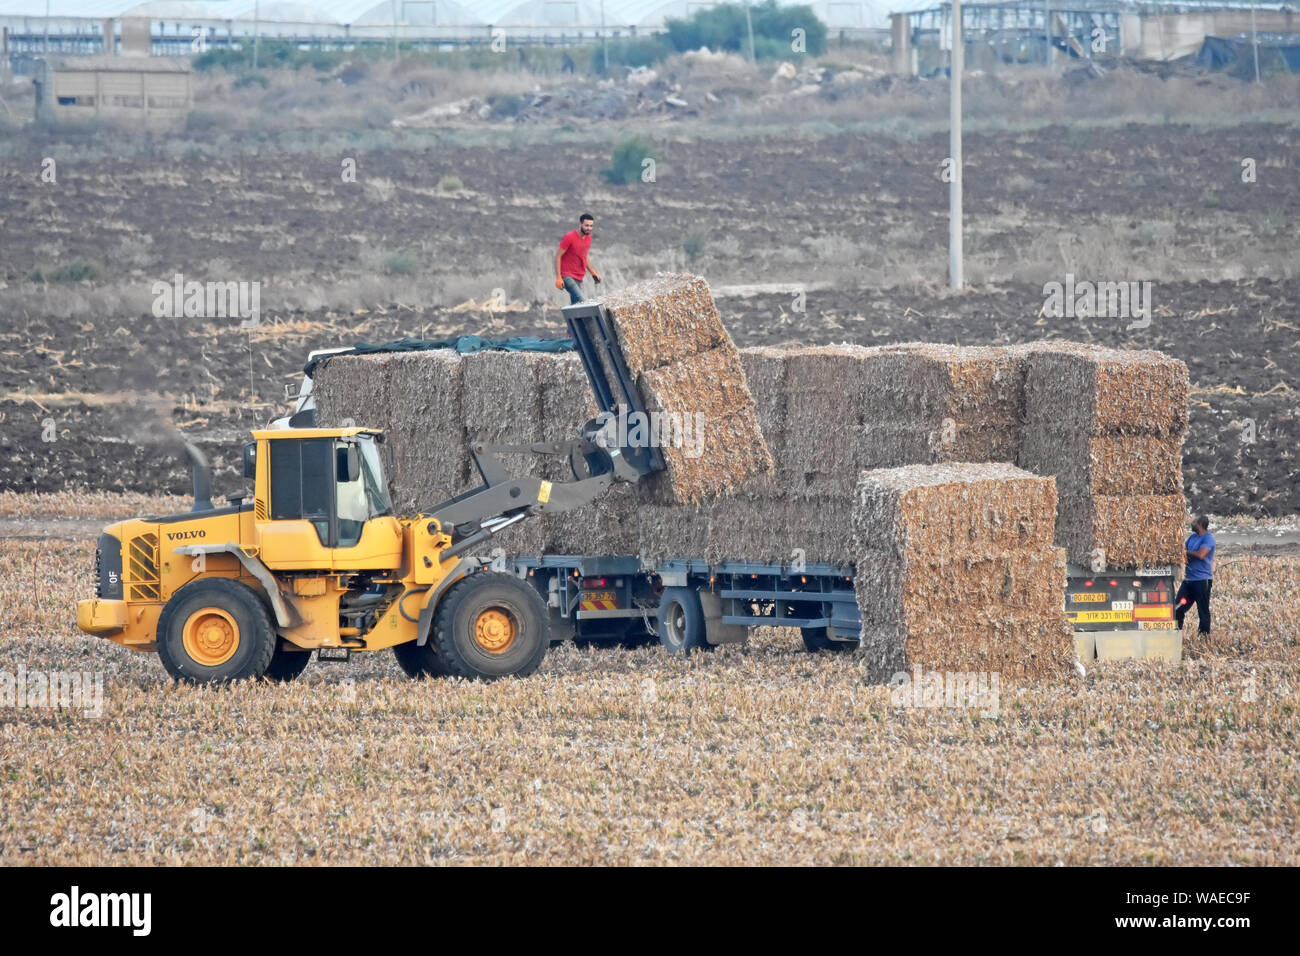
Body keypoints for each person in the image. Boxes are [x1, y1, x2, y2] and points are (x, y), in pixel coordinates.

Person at [1175, 514, 1216, 636]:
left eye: (1194, 522)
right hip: (1189, 581)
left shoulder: (1208, 539)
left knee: (1202, 610)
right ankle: (1176, 633)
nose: (1191, 524)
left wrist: (1185, 552)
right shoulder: (1192, 537)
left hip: (1202, 581)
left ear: (1200, 525)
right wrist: (1183, 554)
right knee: (1178, 608)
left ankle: (1203, 637)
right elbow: (1183, 550)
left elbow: (1200, 555)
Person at [555, 213, 601, 304]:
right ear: (580, 224)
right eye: (586, 225)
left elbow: (583, 256)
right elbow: (558, 256)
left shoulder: (589, 238)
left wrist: (592, 272)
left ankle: (574, 319)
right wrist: (559, 277)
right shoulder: (569, 237)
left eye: (591, 226)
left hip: (579, 276)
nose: (589, 228)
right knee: (582, 302)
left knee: (577, 306)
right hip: (567, 276)